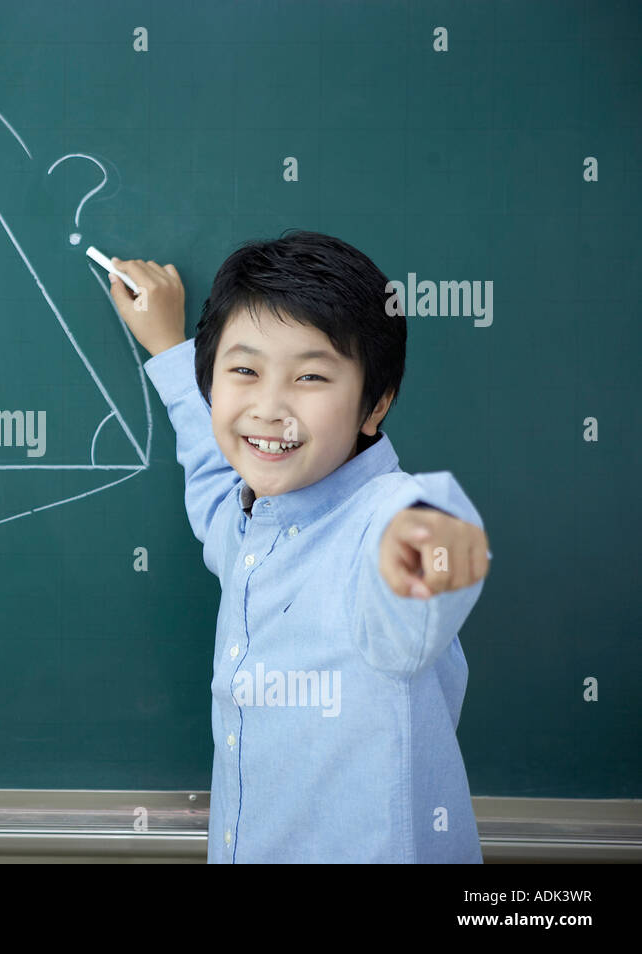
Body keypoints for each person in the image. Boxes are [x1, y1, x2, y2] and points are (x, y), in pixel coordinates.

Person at [107, 230, 491, 863]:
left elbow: (430, 543)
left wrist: (429, 534)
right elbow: (211, 475)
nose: (270, 407)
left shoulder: (377, 523)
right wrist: (171, 347)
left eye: (312, 375)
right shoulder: (245, 526)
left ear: (377, 405)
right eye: (244, 371)